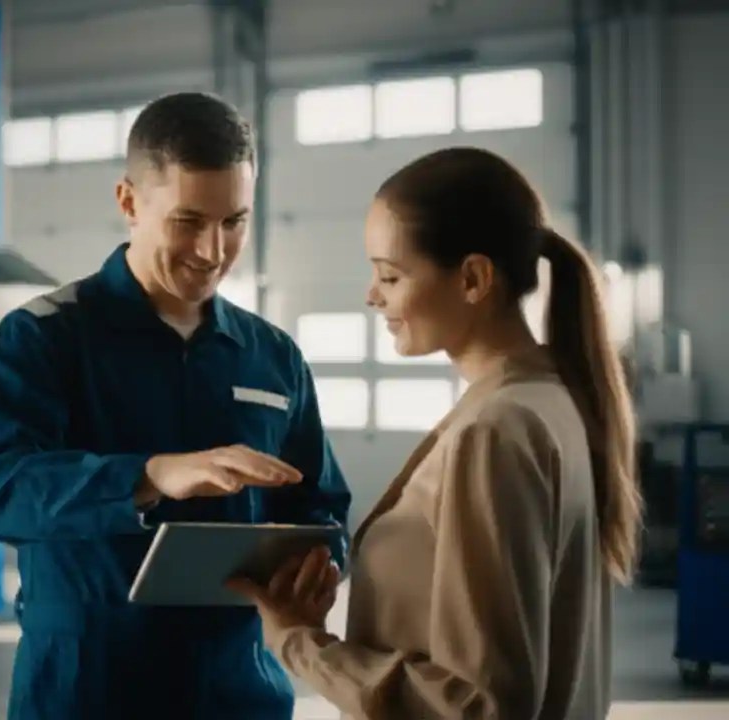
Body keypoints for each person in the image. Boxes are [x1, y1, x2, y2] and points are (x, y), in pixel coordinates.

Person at [0, 91, 352, 720]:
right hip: (87, 692)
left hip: (238, 694)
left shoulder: (272, 357)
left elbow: (322, 506)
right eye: (189, 221)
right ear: (129, 202)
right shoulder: (46, 338)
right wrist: (147, 476)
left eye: (235, 222)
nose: (213, 250)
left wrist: (320, 567)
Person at [229, 147, 643, 719]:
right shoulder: (552, 400)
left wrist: (300, 643)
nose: (372, 296)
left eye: (391, 276)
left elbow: (482, 706)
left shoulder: (496, 430)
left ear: (473, 277)